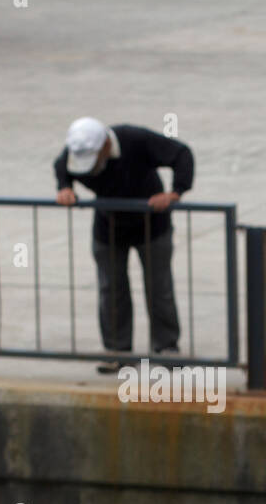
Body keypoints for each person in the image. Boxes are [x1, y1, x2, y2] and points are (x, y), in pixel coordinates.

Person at [54, 117, 194, 372]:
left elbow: (182, 154)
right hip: (109, 226)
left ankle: (166, 347)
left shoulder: (135, 139)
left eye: (95, 159)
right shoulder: (77, 149)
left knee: (158, 287)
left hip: (152, 225)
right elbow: (61, 166)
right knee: (111, 289)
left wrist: (175, 193)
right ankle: (117, 350)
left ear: (106, 145)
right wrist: (64, 187)